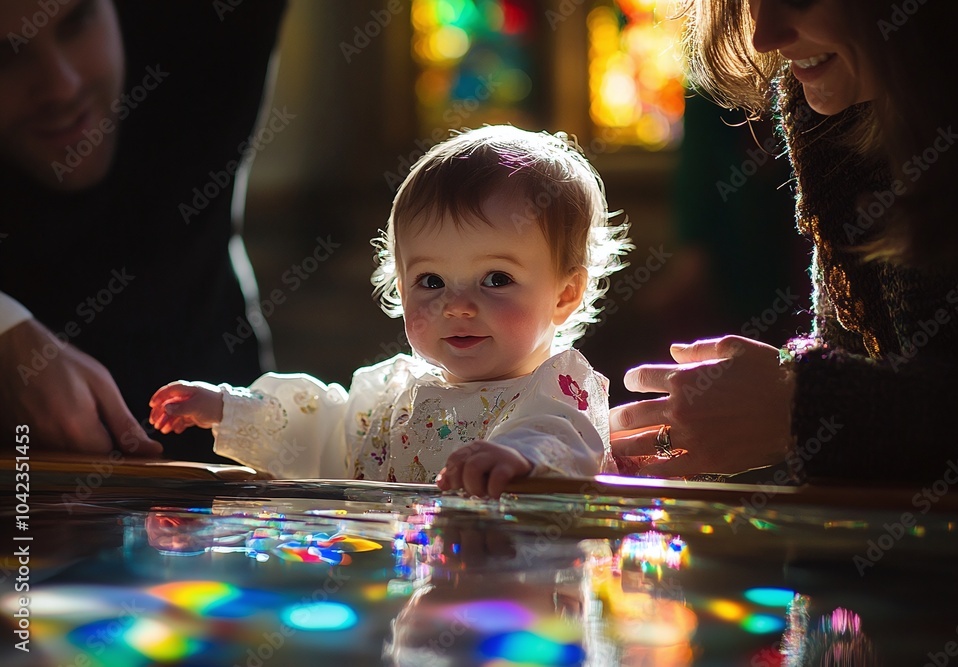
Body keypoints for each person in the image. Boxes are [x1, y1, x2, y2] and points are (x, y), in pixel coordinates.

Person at [610, 0, 958, 485]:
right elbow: (859, 352)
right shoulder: (830, 109)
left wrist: (804, 409)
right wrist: (778, 403)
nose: (763, 38)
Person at [148, 125, 632, 497]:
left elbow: (561, 437)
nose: (457, 305)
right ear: (401, 289)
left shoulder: (557, 390)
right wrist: (229, 408)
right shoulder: (392, 394)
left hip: (519, 599)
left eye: (497, 279)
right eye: (431, 281)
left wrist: (513, 455)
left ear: (565, 295)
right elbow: (324, 435)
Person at [0, 1, 285, 459]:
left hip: (228, 454)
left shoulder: (213, 26)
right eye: (6, 57)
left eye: (76, 23)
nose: (61, 85)